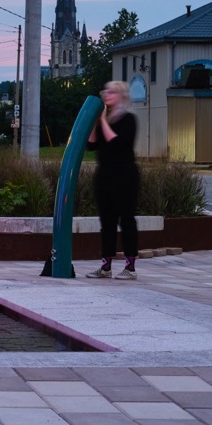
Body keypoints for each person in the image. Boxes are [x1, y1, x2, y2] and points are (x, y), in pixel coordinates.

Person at [85, 80, 140, 280]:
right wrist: (94, 122)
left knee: (126, 220)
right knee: (106, 222)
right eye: (105, 91)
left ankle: (130, 267)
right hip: (104, 176)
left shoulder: (129, 119)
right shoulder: (103, 121)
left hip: (125, 176)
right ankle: (105, 266)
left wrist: (104, 122)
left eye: (111, 92)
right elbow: (91, 145)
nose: (106, 95)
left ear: (121, 96)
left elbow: (116, 142)